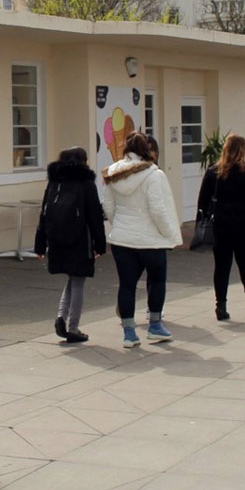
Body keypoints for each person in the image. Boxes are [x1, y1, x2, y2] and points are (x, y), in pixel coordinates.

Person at [102, 131, 180, 347]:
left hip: (122, 239)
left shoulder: (112, 173)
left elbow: (108, 205)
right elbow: (158, 209)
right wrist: (168, 233)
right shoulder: (154, 174)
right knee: (156, 280)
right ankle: (155, 326)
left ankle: (129, 333)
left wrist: (119, 224)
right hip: (151, 239)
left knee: (126, 284)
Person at [33, 146, 108, 343]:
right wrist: (101, 244)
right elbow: (94, 216)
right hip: (79, 238)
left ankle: (61, 317)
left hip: (56, 238)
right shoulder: (85, 182)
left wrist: (40, 243)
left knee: (73, 279)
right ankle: (73, 328)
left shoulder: (54, 181)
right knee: (78, 281)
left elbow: (44, 212)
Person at [196, 133, 245, 321]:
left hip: (220, 227)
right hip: (244, 227)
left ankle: (221, 306)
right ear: (243, 150)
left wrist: (202, 223)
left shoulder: (214, 172)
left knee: (221, 267)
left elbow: (203, 201)